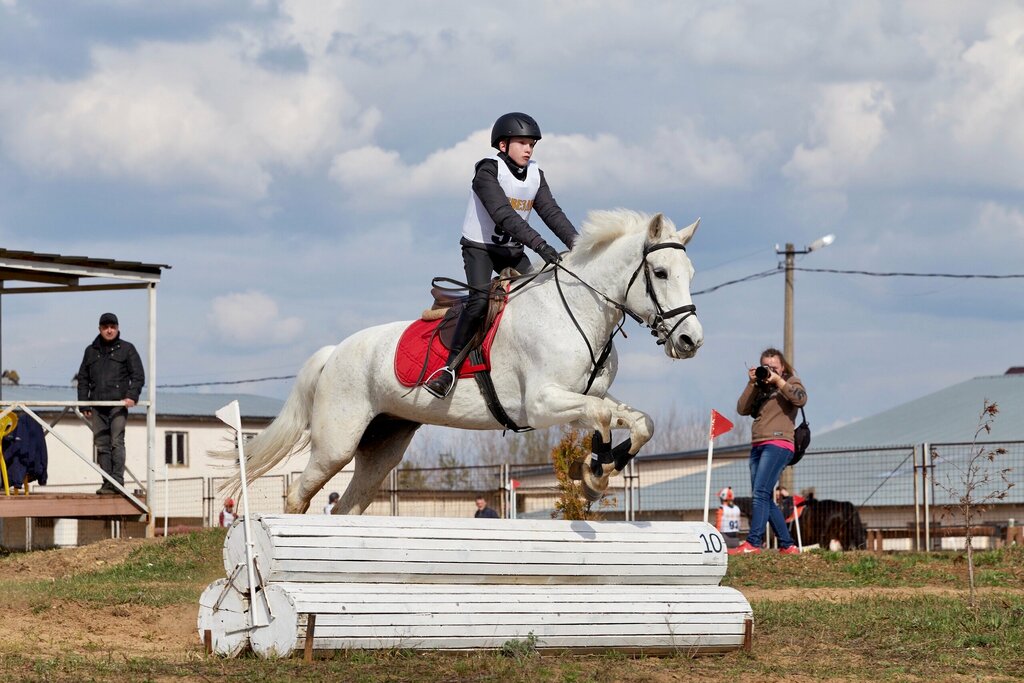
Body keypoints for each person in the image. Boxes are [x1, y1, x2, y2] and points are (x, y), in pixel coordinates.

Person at [424, 112, 578, 399]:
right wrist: (541, 246)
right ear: (503, 145)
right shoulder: (487, 171)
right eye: (522, 142)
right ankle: (450, 368)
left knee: (543, 298)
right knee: (481, 301)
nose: (529, 149)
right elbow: (503, 215)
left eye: (532, 144)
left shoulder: (535, 174)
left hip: (511, 250)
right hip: (479, 248)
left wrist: (579, 245)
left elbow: (552, 213)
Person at [730, 347, 807, 555]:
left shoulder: (791, 382)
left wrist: (778, 382)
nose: (770, 370)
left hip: (779, 444)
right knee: (762, 495)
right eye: (766, 366)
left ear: (782, 367)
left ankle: (753, 543)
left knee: (761, 494)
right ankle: (787, 545)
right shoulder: (760, 387)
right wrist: (752, 382)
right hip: (758, 444)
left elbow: (800, 399)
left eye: (774, 367)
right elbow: (742, 408)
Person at [76, 312, 145, 495]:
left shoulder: (127, 349)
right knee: (101, 444)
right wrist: (84, 404)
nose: (109, 330)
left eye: (112, 327)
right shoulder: (90, 351)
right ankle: (107, 482)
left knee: (116, 441)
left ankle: (117, 482)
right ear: (99, 329)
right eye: (105, 327)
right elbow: (83, 379)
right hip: (97, 404)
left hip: (118, 404)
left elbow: (138, 375)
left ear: (118, 328)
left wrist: (132, 396)